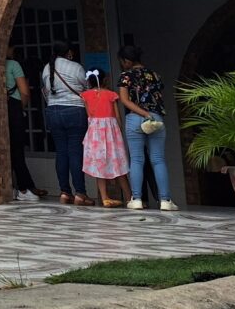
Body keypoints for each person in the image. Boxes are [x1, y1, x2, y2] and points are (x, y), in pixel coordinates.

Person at [117, 45, 178, 211]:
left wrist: (142, 113)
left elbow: (125, 100)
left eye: (122, 61)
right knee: (158, 159)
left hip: (135, 118)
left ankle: (136, 199)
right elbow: (158, 97)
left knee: (137, 160)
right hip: (156, 118)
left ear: (127, 61)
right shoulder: (155, 75)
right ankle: (165, 200)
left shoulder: (125, 76)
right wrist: (149, 113)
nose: (122, 65)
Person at [41, 42, 93, 205]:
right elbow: (86, 88)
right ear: (69, 52)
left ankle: (64, 192)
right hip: (74, 111)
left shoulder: (46, 68)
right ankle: (80, 193)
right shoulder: (76, 67)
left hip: (53, 111)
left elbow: (46, 90)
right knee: (75, 151)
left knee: (61, 152)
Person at [79, 69, 131, 208]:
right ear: (105, 80)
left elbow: (88, 115)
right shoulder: (111, 95)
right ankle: (129, 197)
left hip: (95, 132)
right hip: (111, 132)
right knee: (119, 165)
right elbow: (118, 117)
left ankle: (105, 197)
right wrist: (119, 131)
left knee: (99, 166)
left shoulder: (86, 95)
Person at [5, 46, 40, 201]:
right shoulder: (13, 65)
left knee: (5, 150)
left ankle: (11, 187)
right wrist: (21, 108)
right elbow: (25, 91)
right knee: (17, 150)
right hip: (14, 108)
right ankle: (23, 189)